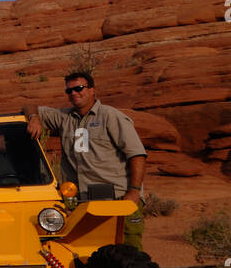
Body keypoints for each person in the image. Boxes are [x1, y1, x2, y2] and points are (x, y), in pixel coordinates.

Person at [24, 70, 149, 249]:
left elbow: (136, 154)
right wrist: (34, 118)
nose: (74, 93)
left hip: (118, 199)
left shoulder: (109, 116)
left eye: (79, 88)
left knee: (129, 252)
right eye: (69, 91)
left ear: (92, 90)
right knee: (86, 252)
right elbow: (29, 106)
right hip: (82, 203)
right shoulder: (64, 118)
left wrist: (135, 191)